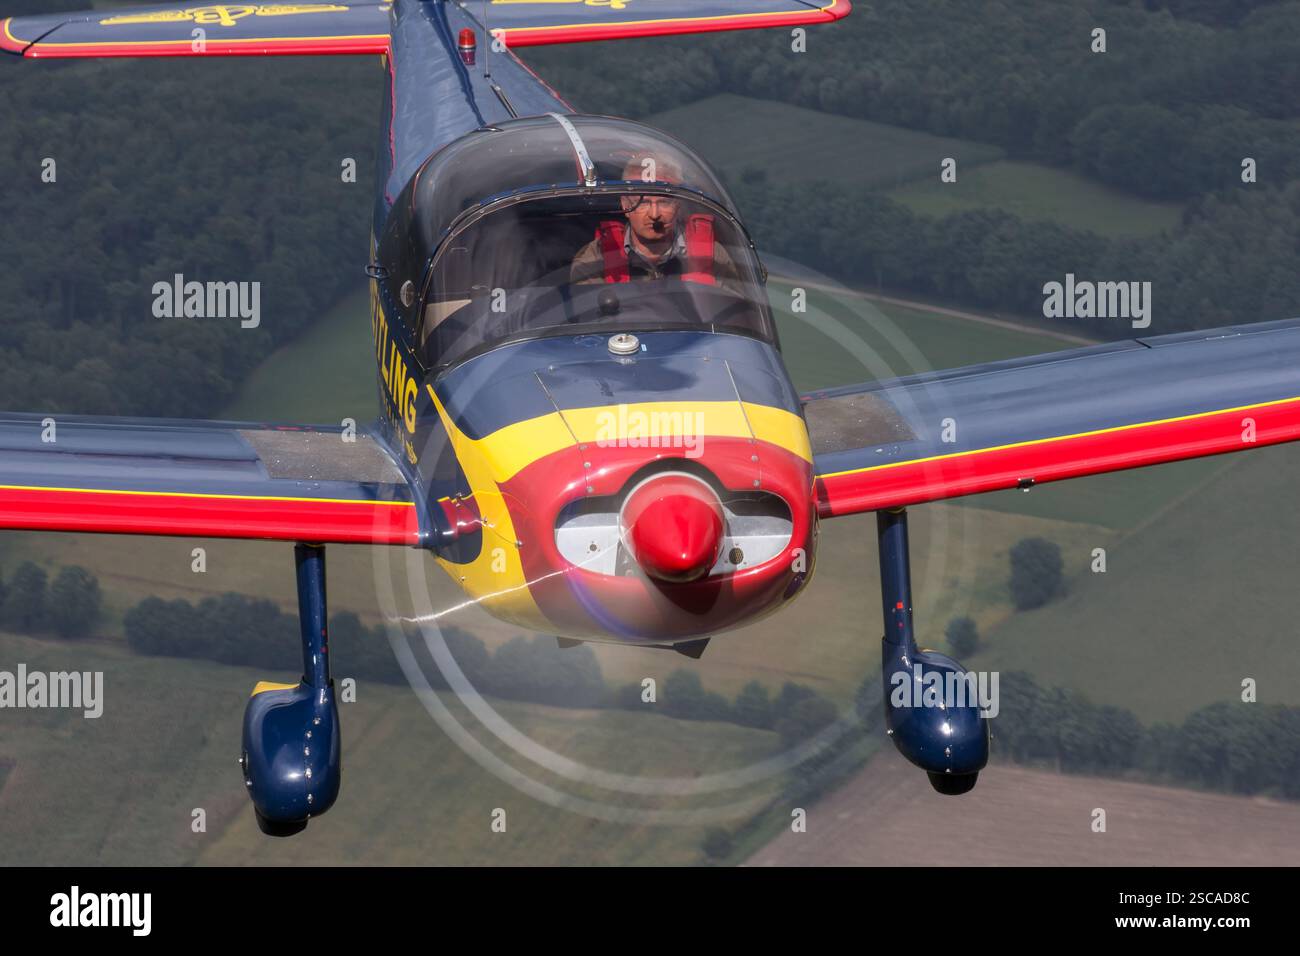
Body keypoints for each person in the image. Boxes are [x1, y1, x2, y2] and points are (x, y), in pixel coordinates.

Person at [569, 156, 742, 290]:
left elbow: (735, 321)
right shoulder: (595, 259)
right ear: (625, 204)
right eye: (643, 202)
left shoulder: (712, 257)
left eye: (664, 202)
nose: (654, 214)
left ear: (678, 205)